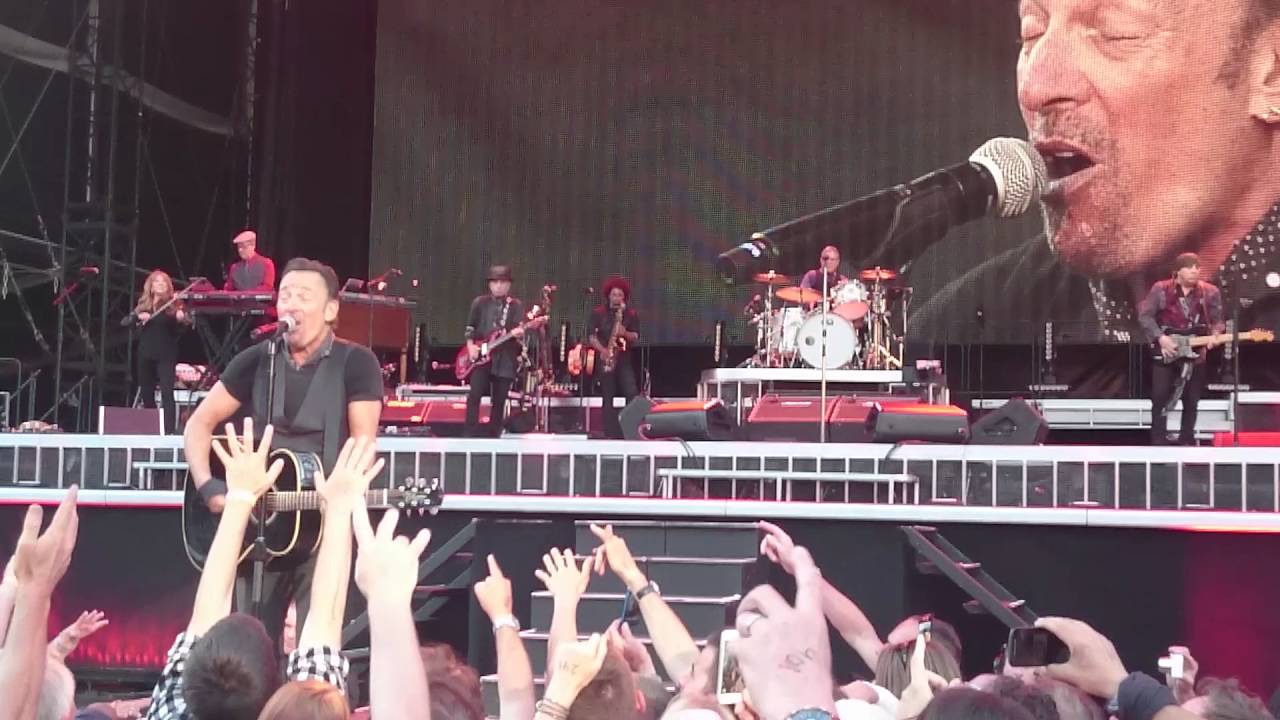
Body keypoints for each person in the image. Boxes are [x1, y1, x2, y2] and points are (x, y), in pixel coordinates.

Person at [910, 0, 1280, 347]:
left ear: (1273, 73)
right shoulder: (962, 336)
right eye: (1032, 33)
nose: (1036, 87)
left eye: (1116, 32)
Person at [182, 257, 384, 648]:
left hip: (322, 529)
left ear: (330, 310)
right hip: (259, 531)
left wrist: (343, 500)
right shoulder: (258, 360)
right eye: (284, 295)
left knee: (317, 643)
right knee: (249, 651)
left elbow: (363, 446)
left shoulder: (357, 364)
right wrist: (208, 487)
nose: (290, 304)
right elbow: (198, 425)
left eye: (303, 296)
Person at [1138, 253, 1225, 445]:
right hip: (1167, 351)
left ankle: (1187, 439)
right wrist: (1161, 338)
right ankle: (1158, 441)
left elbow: (1218, 320)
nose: (1194, 270)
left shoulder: (1209, 292)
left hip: (1195, 353)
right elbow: (1145, 317)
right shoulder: (1160, 289)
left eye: (1197, 267)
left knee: (1192, 399)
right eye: (1189, 267)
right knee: (1160, 397)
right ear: (1177, 271)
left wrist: (1216, 334)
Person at [464, 265, 525, 438]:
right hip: (481, 356)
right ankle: (469, 435)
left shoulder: (515, 306)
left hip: (505, 358)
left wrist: (519, 334)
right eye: (495, 282)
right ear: (490, 284)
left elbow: (518, 331)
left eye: (502, 282)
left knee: (499, 401)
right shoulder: (479, 303)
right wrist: (470, 346)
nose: (498, 286)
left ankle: (493, 437)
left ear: (508, 285)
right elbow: (470, 328)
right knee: (474, 394)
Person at [131, 270, 192, 433]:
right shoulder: (143, 305)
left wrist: (181, 319)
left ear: (168, 287)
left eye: (164, 282)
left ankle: (168, 431)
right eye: (157, 281)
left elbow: (182, 327)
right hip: (145, 353)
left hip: (166, 354)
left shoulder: (173, 305)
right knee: (146, 392)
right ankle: (151, 427)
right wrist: (138, 317)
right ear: (150, 286)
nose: (160, 284)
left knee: (166, 392)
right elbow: (126, 322)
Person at [589, 277, 641, 439]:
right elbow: (591, 336)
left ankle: (630, 430)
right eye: (614, 295)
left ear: (624, 297)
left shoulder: (631, 314)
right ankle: (609, 433)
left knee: (631, 392)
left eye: (620, 295)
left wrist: (624, 332)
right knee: (608, 395)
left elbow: (635, 336)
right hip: (606, 358)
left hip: (624, 358)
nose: (617, 298)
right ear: (608, 296)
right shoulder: (598, 313)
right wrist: (603, 351)